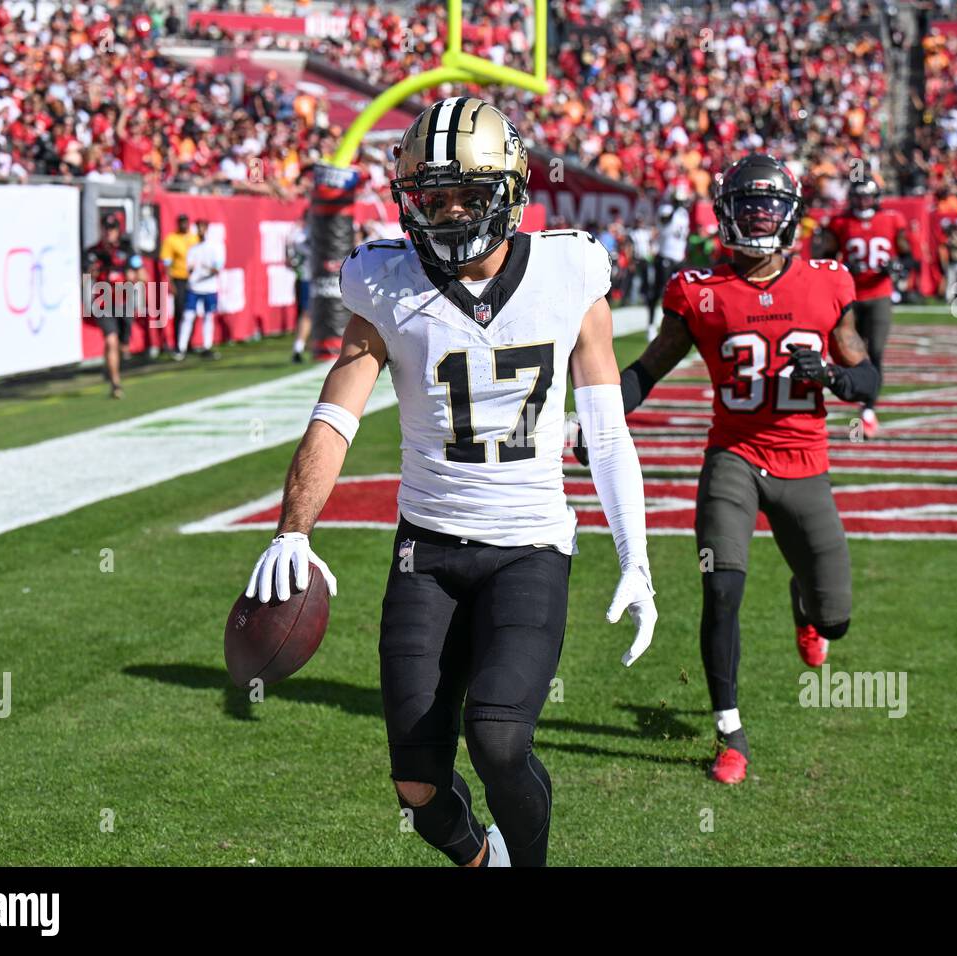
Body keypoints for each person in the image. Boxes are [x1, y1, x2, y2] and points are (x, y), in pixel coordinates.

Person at [242, 98, 657, 867]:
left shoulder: (570, 271)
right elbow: (335, 418)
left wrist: (635, 555)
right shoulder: (385, 285)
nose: (452, 212)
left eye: (469, 193)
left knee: (499, 740)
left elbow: (603, 429)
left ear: (512, 191)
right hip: (426, 551)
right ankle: (482, 861)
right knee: (417, 786)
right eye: (433, 197)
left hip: (528, 548)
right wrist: (291, 528)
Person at [579, 154, 876, 786]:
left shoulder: (827, 281)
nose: (758, 216)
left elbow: (867, 373)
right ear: (726, 213)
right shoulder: (699, 292)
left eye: (769, 206)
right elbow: (645, 371)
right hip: (734, 457)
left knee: (836, 619)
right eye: (748, 205)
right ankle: (730, 733)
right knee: (721, 588)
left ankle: (805, 608)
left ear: (791, 215)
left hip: (805, 463)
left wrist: (837, 377)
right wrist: (599, 415)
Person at [814, 178, 909, 440]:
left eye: (867, 197)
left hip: (879, 294)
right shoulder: (840, 222)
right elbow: (826, 260)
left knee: (876, 351)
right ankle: (853, 392)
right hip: (850, 296)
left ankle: (868, 410)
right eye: (858, 197)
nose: (863, 202)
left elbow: (907, 255)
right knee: (850, 353)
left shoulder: (892, 219)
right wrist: (843, 270)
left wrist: (897, 268)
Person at [83, 216, 140, 399]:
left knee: (122, 346)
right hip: (103, 302)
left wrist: (134, 277)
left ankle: (109, 366)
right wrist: (91, 272)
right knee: (110, 340)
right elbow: (85, 274)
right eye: (106, 228)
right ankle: (116, 384)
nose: (109, 232)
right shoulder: (93, 252)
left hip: (124, 301)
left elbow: (141, 273)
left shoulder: (126, 250)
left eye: (113, 228)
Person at [176, 220, 226, 360]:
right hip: (194, 287)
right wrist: (192, 271)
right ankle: (181, 348)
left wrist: (206, 268)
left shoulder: (216, 247)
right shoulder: (193, 249)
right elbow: (189, 269)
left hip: (209, 287)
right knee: (188, 316)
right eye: (198, 228)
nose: (200, 231)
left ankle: (207, 346)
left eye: (202, 228)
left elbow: (217, 268)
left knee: (208, 317)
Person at [647, 193, 691, 341]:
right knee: (659, 291)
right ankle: (651, 325)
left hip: (679, 258)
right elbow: (663, 222)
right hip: (665, 255)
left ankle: (676, 325)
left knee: (680, 293)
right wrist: (673, 210)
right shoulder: (666, 209)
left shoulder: (684, 213)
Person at [159, 214, 198, 357]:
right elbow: (167, 263)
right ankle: (178, 343)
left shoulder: (194, 238)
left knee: (192, 311)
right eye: (181, 223)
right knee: (180, 311)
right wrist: (170, 283)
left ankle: (189, 342)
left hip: (195, 279)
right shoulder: (171, 239)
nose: (184, 225)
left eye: (186, 223)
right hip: (179, 279)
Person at [287, 211, 312, 362]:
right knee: (307, 313)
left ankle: (301, 346)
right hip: (308, 277)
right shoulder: (301, 236)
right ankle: (298, 347)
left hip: (309, 276)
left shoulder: (298, 234)